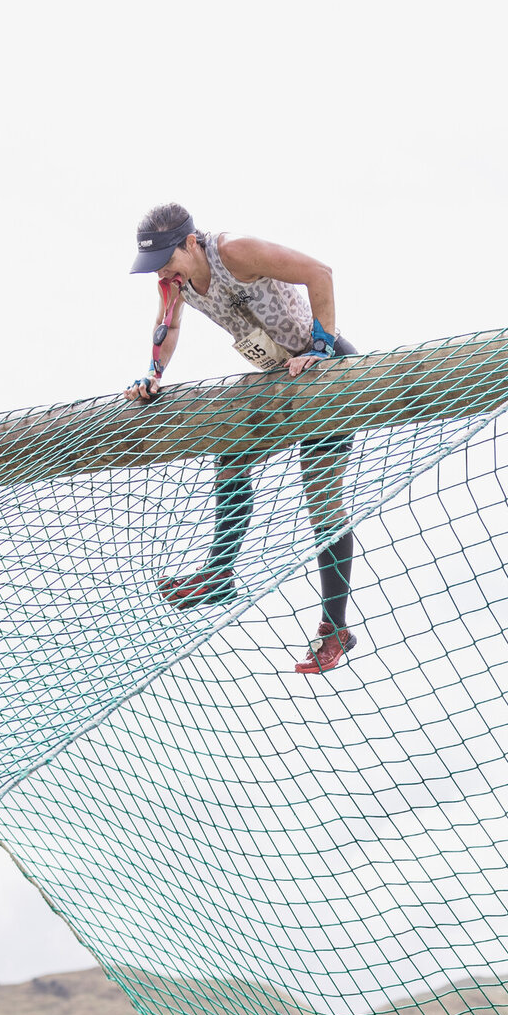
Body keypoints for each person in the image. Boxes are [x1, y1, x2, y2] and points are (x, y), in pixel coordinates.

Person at [124, 203, 358, 675]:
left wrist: (319, 349)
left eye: (167, 258)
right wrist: (153, 373)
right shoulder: (175, 282)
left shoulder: (234, 252)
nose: (162, 271)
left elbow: (320, 273)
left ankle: (335, 627)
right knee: (230, 452)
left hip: (324, 371)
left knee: (320, 496)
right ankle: (219, 575)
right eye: (154, 264)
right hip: (277, 380)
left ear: (191, 242)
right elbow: (168, 326)